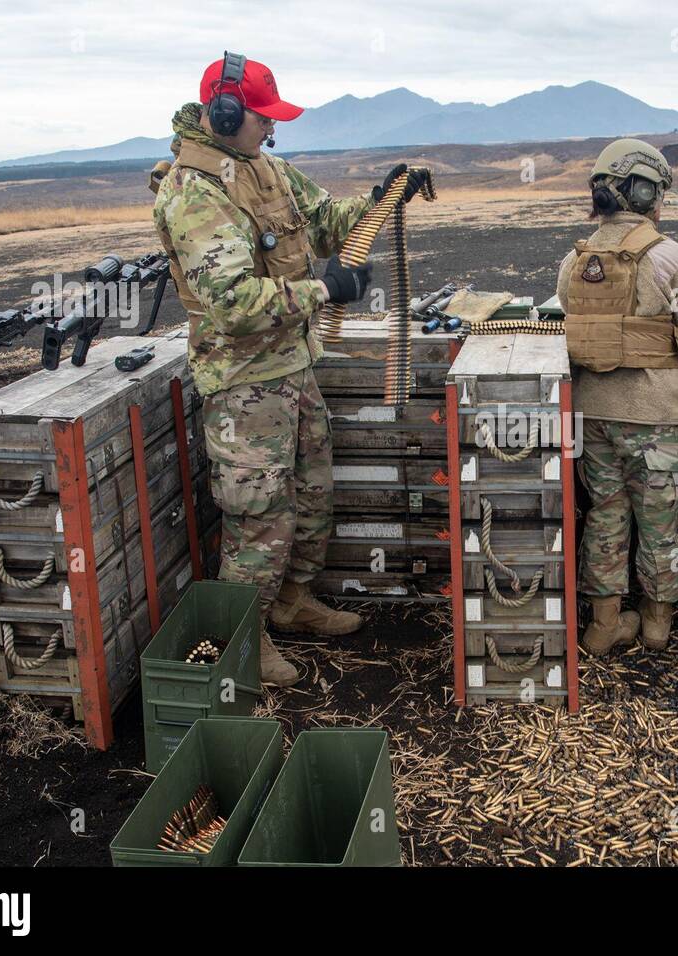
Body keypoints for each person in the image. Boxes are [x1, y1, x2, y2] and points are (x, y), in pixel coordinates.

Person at [151, 52, 429, 685]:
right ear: (224, 114)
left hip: (292, 371)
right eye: (262, 118)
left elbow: (328, 222)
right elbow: (234, 302)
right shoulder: (196, 193)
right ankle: (239, 647)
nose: (272, 130)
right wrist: (323, 291)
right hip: (244, 387)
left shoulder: (265, 169)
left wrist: (381, 201)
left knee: (309, 497)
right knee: (258, 518)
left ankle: (292, 602)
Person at [556, 139, 678, 657]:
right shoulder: (672, 257)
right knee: (660, 527)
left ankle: (604, 626)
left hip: (593, 413)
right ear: (647, 191)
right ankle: (656, 627)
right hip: (656, 417)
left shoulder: (574, 260)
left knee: (605, 518)